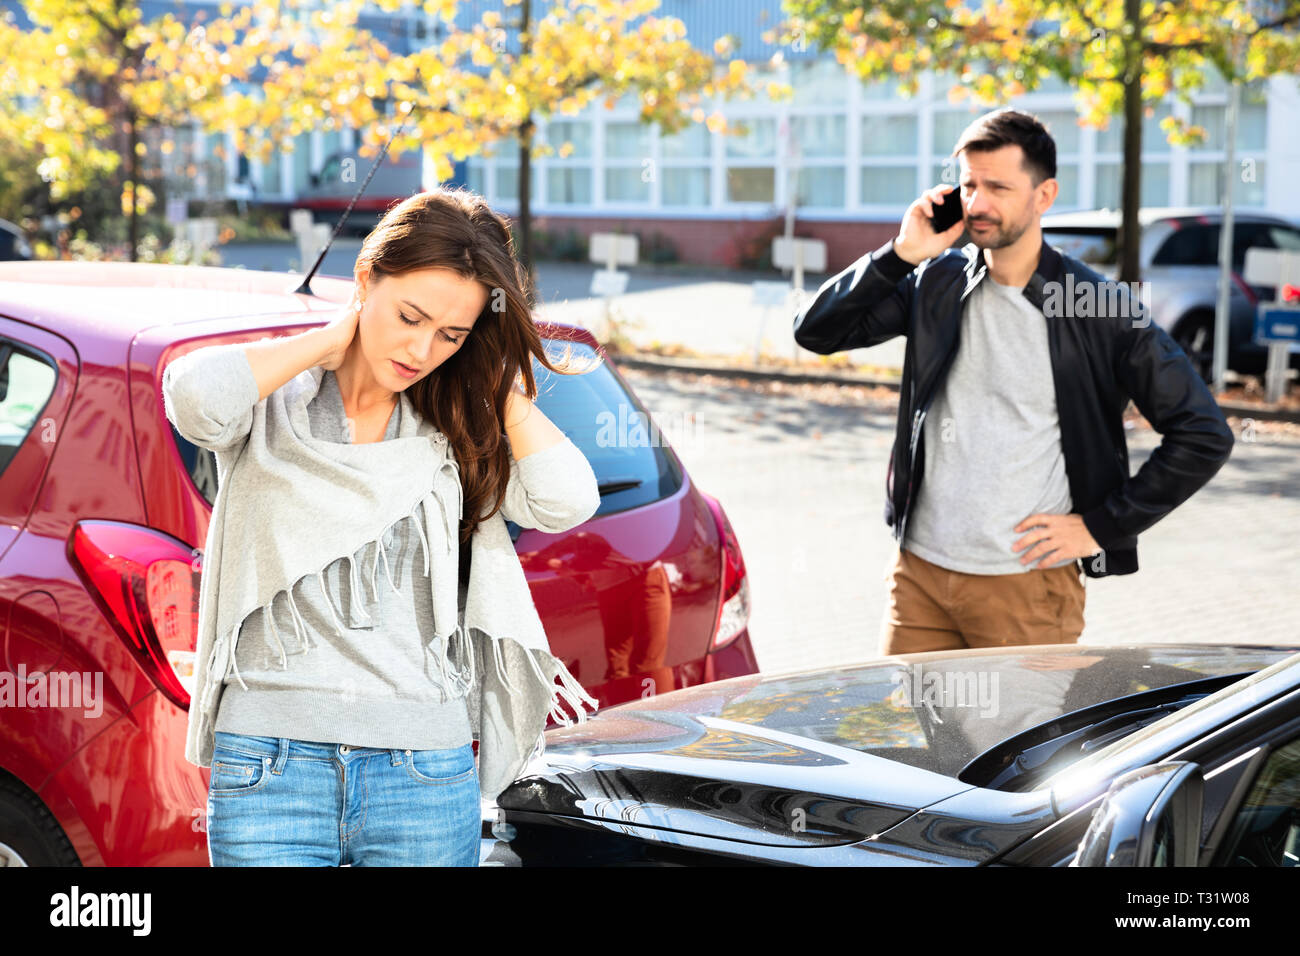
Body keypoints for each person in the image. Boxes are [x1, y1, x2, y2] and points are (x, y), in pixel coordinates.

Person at [163, 187, 601, 865]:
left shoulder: (456, 431)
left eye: (451, 334)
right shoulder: (273, 406)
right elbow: (191, 398)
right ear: (367, 277)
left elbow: (566, 499)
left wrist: (495, 385)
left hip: (420, 772)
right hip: (269, 769)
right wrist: (327, 341)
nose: (423, 348)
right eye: (410, 316)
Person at [793, 108, 1234, 654]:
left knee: (1017, 742)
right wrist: (901, 254)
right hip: (920, 577)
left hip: (1024, 589)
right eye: (969, 184)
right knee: (910, 740)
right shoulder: (935, 280)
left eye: (998, 187)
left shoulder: (1097, 307)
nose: (977, 203)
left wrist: (1099, 526)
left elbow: (1203, 432)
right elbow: (816, 332)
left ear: (1044, 195)